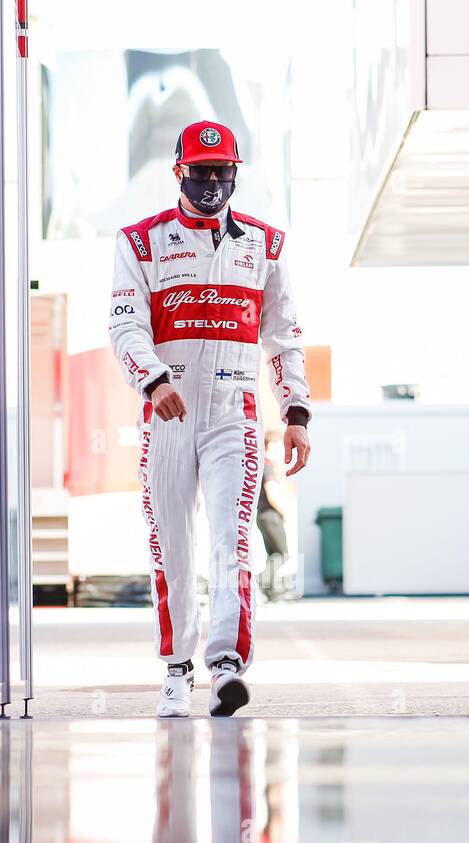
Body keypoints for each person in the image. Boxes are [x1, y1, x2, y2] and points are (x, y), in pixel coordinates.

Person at [109, 120, 313, 719]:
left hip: (234, 416)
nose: (210, 184)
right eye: (199, 173)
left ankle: (226, 666)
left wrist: (296, 412)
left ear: (235, 173)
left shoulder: (265, 245)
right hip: (167, 414)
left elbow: (284, 336)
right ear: (179, 172)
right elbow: (124, 325)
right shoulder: (140, 241)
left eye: (221, 173)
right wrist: (153, 379)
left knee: (231, 542)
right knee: (171, 545)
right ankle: (176, 669)